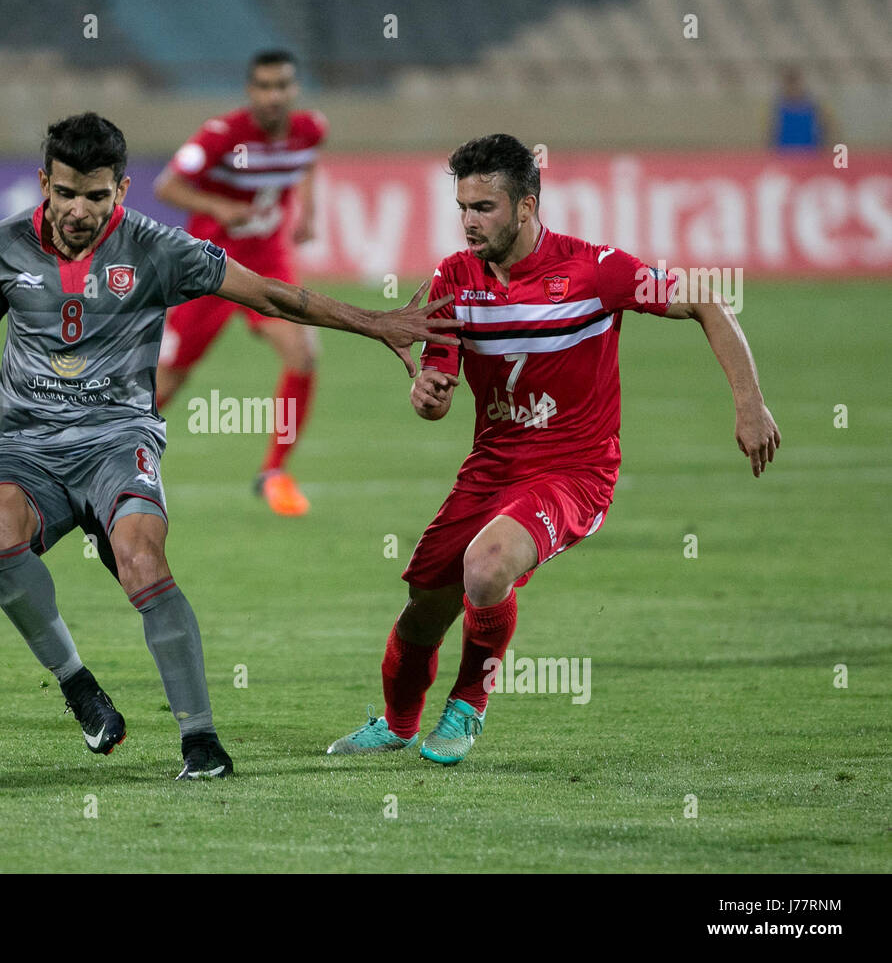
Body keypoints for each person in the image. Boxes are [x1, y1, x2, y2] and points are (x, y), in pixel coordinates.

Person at [0, 112, 458, 780]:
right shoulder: (2, 248)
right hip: (29, 446)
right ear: (44, 184)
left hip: (119, 441)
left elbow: (272, 295)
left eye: (97, 195)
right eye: (66, 193)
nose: (79, 209)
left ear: (123, 190)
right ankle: (79, 686)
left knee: (140, 556)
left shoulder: (156, 249)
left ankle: (201, 740)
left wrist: (377, 323)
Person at [327, 134, 781, 765]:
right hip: (491, 466)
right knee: (424, 609)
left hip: (575, 469)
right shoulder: (454, 277)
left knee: (485, 569)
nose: (468, 220)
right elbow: (436, 378)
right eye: (462, 206)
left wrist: (749, 402)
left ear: (527, 206)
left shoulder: (596, 271)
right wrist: (427, 392)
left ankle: (467, 707)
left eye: (484, 207)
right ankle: (399, 725)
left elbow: (705, 298)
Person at [154, 49, 326, 516]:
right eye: (264, 87)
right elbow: (166, 186)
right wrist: (219, 207)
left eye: (282, 86)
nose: (274, 96)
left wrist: (306, 209)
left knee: (303, 353)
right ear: (251, 92)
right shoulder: (222, 135)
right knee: (171, 375)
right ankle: (107, 451)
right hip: (208, 266)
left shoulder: (309, 130)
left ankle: (274, 473)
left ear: (293, 90)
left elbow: (306, 160)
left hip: (268, 260)